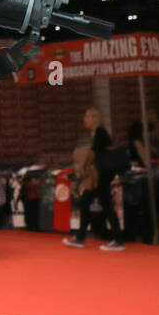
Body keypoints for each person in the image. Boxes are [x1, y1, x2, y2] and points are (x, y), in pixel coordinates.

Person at [65, 107, 125, 251]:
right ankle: (81, 237)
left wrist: (82, 165)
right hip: (99, 174)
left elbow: (93, 153)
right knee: (87, 202)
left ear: (95, 118)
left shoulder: (99, 132)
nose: (85, 119)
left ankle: (117, 239)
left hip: (102, 175)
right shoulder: (97, 133)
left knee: (103, 205)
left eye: (87, 116)